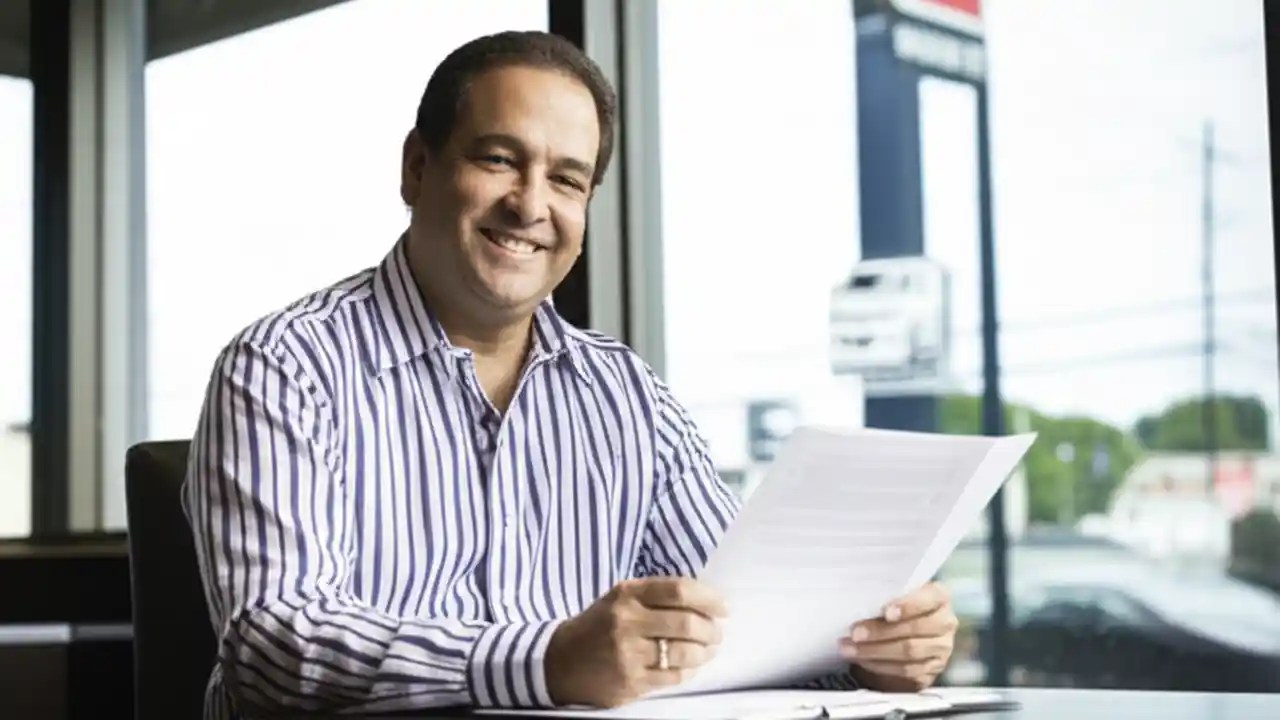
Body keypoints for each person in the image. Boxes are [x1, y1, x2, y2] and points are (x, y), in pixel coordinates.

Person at [182, 29, 958, 718]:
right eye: (498, 159)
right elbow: (274, 648)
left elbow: (737, 625)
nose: (530, 205)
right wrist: (545, 662)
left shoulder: (627, 396)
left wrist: (869, 653)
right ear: (419, 167)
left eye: (566, 179)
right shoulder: (285, 367)